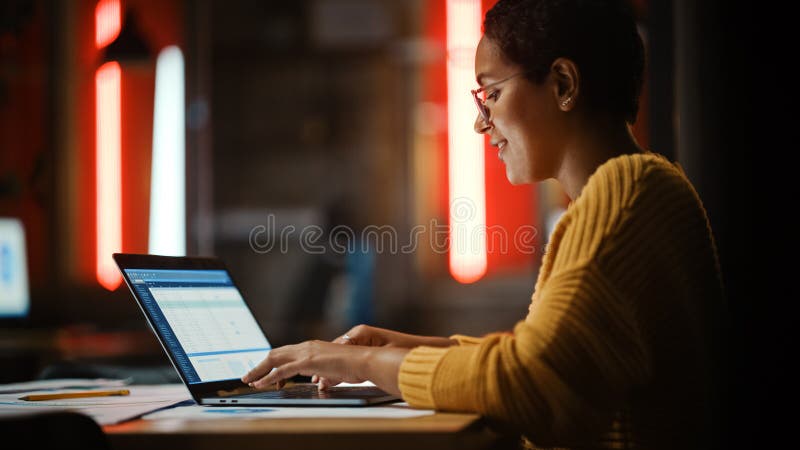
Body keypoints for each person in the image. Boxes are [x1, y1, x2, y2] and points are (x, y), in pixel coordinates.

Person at [242, 0, 727, 448]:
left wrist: (363, 362)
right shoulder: (651, 184)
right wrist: (410, 348)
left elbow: (535, 385)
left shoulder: (622, 193)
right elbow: (558, 356)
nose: (479, 122)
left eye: (490, 93)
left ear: (563, 84)